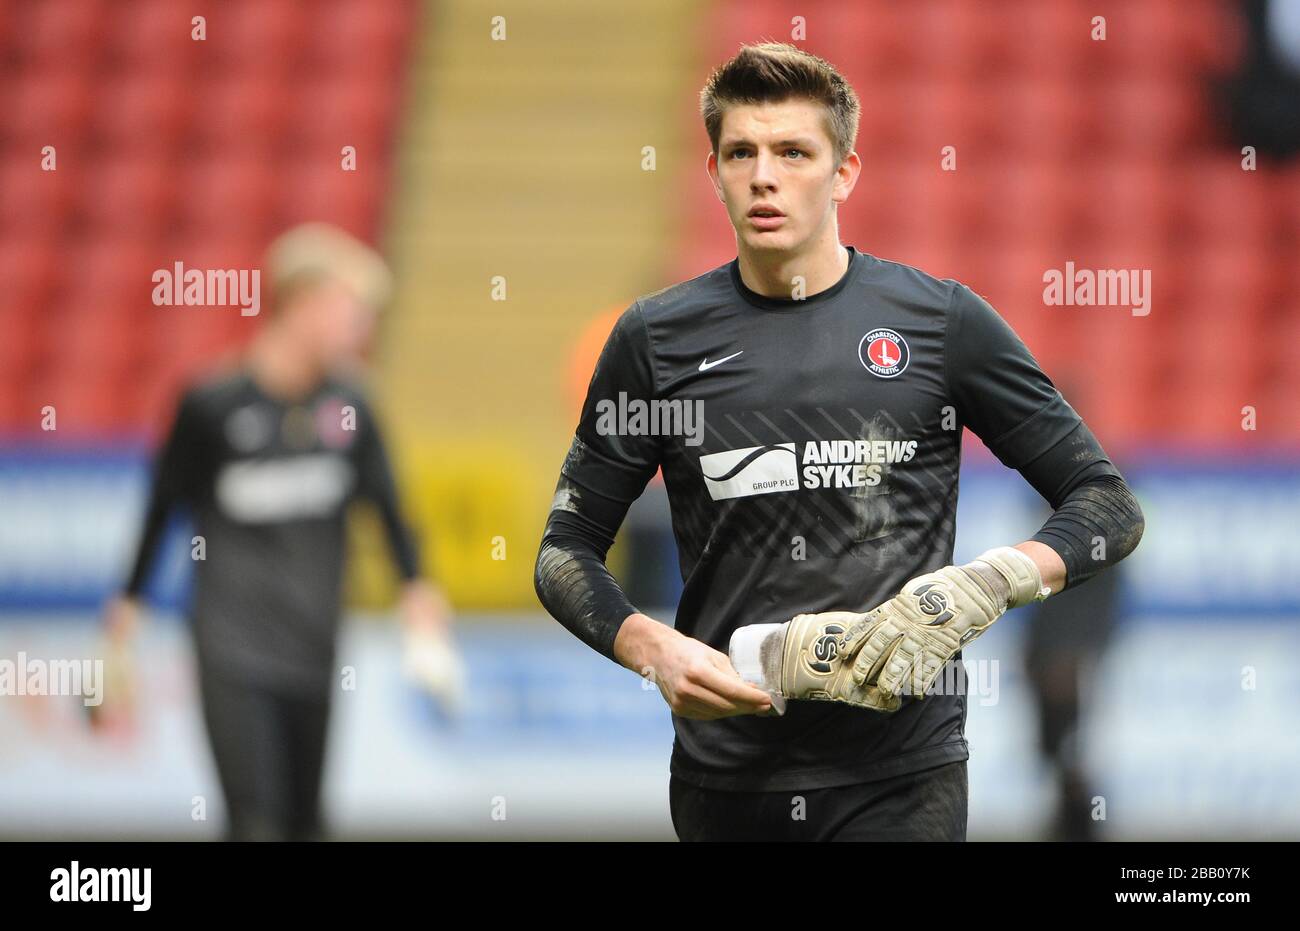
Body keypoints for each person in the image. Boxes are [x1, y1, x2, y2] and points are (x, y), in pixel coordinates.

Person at [534, 43, 1144, 842]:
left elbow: (1107, 504)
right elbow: (565, 550)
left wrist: (990, 582)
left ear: (844, 172)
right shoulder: (655, 341)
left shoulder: (940, 323)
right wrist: (651, 647)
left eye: (794, 152)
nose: (764, 175)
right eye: (741, 152)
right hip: (726, 782)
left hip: (902, 777)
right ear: (714, 170)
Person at [100, 223, 458, 841]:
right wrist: (124, 619)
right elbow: (161, 511)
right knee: (255, 823)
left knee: (306, 822)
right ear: (301, 306)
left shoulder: (352, 404)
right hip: (231, 647)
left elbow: (391, 512)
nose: (361, 330)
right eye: (351, 312)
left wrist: (419, 597)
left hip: (315, 644)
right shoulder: (211, 404)